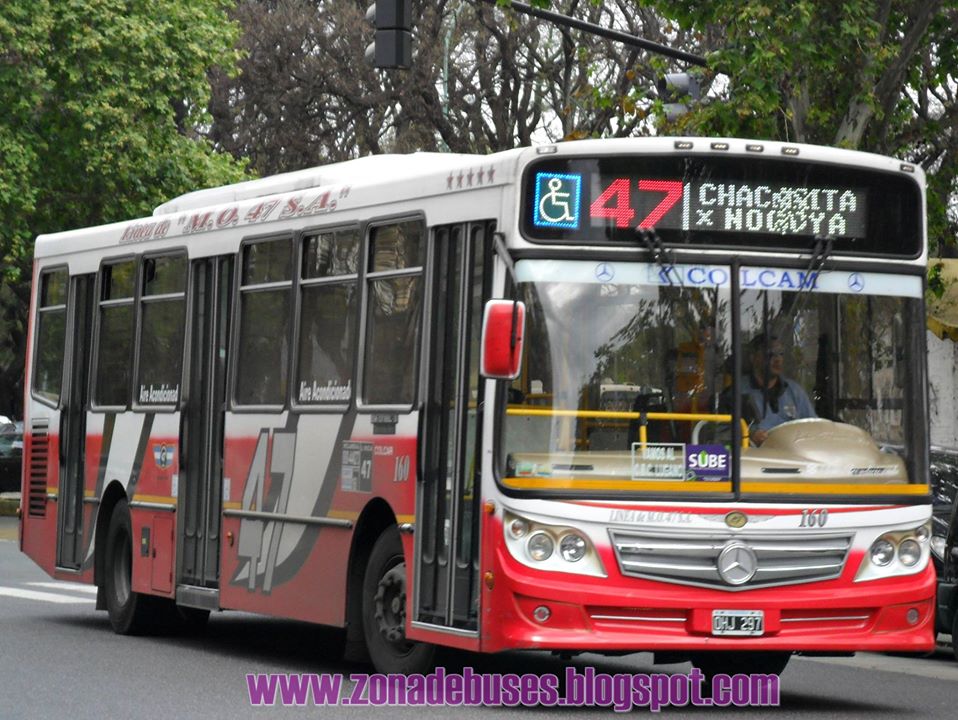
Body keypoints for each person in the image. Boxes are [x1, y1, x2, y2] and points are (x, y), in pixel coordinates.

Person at [742, 334, 816, 445]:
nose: (777, 359)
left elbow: (814, 428)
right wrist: (750, 435)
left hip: (792, 456)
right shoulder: (738, 392)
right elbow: (725, 432)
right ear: (754, 358)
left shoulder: (795, 392)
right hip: (755, 458)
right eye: (770, 354)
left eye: (780, 354)